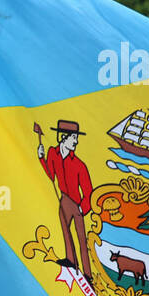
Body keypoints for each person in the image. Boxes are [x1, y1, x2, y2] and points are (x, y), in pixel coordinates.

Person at [38, 119, 94, 286]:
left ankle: (88, 275)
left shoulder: (79, 165)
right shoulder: (53, 153)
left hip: (76, 204)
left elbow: (89, 192)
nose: (76, 142)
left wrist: (83, 209)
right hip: (63, 198)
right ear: (63, 137)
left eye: (76, 138)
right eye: (73, 138)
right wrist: (41, 157)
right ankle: (71, 260)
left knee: (81, 238)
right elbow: (51, 175)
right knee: (65, 231)